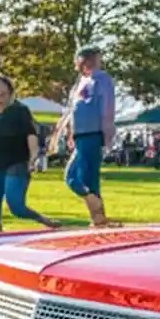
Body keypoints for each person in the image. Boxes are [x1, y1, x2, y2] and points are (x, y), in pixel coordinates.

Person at [0, 75, 59, 232]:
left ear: (10, 93)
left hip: (16, 164)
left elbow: (31, 134)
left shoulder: (19, 111)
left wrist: (33, 156)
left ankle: (42, 220)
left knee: (16, 207)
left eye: (3, 94)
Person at [53, 45, 119, 227]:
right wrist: (69, 133)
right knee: (89, 179)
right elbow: (72, 111)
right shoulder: (79, 83)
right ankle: (98, 219)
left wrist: (107, 134)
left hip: (93, 134)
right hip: (80, 135)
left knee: (73, 177)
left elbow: (107, 108)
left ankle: (96, 209)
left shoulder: (101, 79)